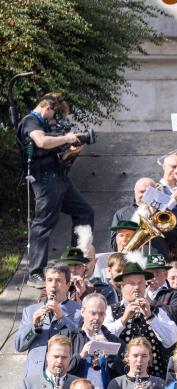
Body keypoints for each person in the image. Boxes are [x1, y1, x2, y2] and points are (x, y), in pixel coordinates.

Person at [16, 93, 96, 286]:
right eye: (54, 114)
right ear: (47, 108)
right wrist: (66, 137)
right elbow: (41, 142)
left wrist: (70, 151)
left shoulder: (44, 125)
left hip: (59, 177)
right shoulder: (30, 122)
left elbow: (54, 155)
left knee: (84, 212)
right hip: (44, 181)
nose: (54, 119)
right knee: (43, 224)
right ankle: (35, 272)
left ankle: (76, 258)